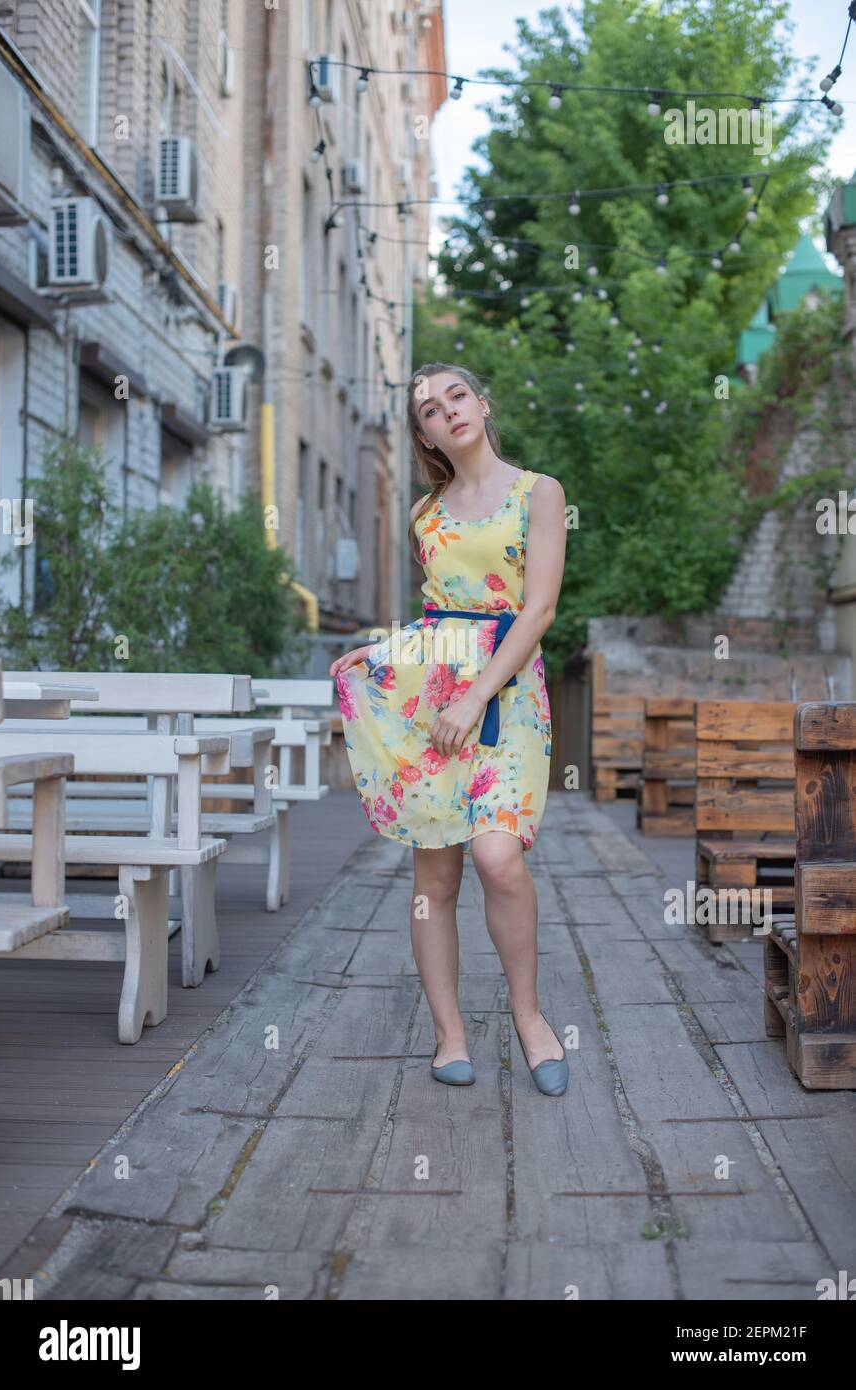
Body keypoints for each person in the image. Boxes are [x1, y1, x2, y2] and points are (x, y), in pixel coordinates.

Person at [329, 363, 568, 1096]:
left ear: (482, 404)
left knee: (498, 856)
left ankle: (527, 1014)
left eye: (456, 396)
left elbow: (537, 610)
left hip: (508, 696)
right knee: (434, 874)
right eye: (429, 410)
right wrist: (384, 652)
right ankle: (449, 1033)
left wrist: (475, 698)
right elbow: (441, 618)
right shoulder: (424, 514)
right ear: (425, 435)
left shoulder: (539, 493)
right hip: (434, 697)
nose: (447, 411)